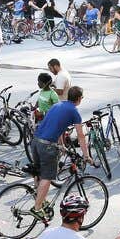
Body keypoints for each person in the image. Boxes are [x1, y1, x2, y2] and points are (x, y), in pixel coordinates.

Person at [31, 86, 87, 218]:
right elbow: (81, 136)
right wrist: (86, 155)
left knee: (38, 171)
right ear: (79, 99)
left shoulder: (57, 105)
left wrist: (61, 144)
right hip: (48, 146)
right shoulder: (74, 111)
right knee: (48, 177)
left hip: (36, 141)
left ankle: (39, 197)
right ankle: (37, 208)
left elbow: (58, 126)